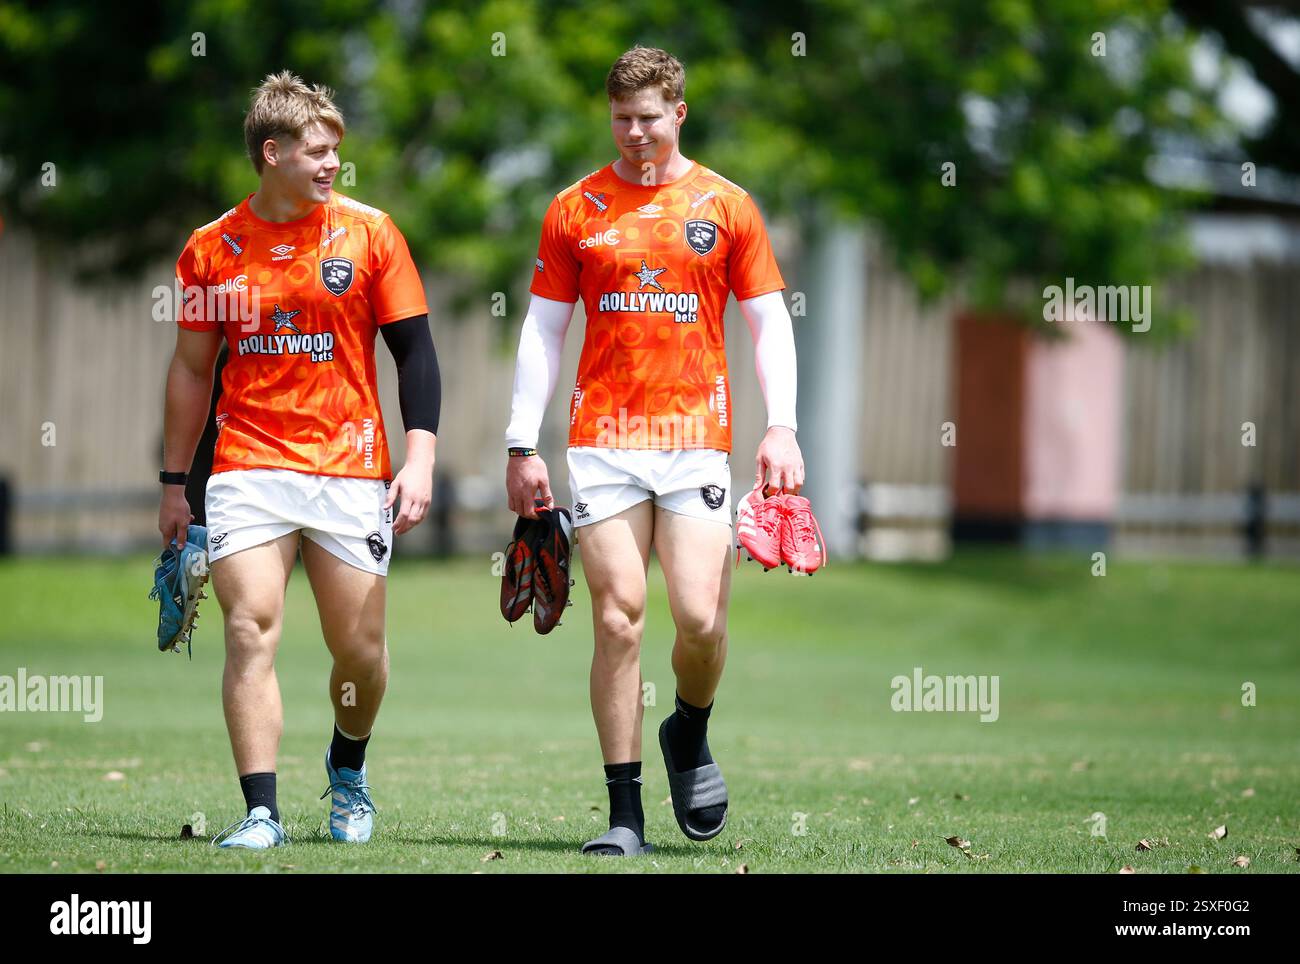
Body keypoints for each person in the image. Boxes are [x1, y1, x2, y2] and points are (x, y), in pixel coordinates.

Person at [504, 46, 807, 856]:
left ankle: (688, 729)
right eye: (621, 118)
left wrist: (783, 424)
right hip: (601, 442)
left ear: (679, 113)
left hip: (696, 443)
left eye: (649, 118)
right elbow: (542, 327)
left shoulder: (727, 206)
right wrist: (519, 442)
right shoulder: (576, 208)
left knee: (701, 620)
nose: (635, 133)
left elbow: (769, 320)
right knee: (618, 618)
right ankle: (624, 817)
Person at [158, 71, 440, 849]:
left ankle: (347, 769)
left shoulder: (371, 233)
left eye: (336, 153)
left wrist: (418, 459)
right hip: (247, 463)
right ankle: (261, 812)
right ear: (271, 152)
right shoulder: (213, 251)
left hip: (349, 468)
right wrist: (175, 485)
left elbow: (415, 352)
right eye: (316, 152)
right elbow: (190, 370)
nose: (331, 166)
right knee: (249, 627)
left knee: (360, 652)